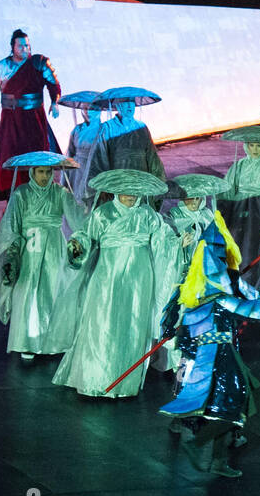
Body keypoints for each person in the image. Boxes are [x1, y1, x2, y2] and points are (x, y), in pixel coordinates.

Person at [160, 212, 260, 478]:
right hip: (216, 354)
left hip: (203, 352)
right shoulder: (217, 288)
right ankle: (205, 448)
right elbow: (252, 308)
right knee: (229, 403)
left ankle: (216, 453)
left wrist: (169, 328)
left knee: (219, 402)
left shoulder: (199, 282)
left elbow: (172, 309)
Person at [52, 170, 178, 398]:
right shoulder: (103, 214)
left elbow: (165, 240)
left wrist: (179, 243)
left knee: (132, 324)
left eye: (135, 191)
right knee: (102, 321)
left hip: (140, 278)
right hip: (107, 275)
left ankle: (123, 384)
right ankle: (95, 378)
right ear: (116, 190)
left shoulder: (148, 215)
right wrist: (78, 245)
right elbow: (85, 235)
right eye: (126, 190)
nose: (131, 195)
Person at [0, 152, 84, 360]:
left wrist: (89, 218)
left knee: (52, 289)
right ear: (32, 172)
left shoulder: (60, 193)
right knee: (28, 291)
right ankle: (27, 341)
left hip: (53, 249)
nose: (45, 176)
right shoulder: (21, 194)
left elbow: (77, 220)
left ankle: (53, 339)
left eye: (49, 171)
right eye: (40, 171)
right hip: (29, 250)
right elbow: (11, 225)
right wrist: (12, 251)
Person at [158, 174, 229, 375]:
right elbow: (163, 246)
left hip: (204, 278)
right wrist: (179, 246)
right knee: (178, 318)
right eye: (189, 197)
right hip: (180, 276)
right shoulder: (172, 217)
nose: (194, 202)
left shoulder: (208, 216)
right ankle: (177, 364)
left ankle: (200, 360)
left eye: (198, 198)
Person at [0, 29, 62, 200]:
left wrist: (54, 102)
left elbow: (53, 83)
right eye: (21, 46)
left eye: (27, 45)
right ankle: (13, 198)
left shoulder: (39, 63)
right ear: (13, 47)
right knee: (8, 156)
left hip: (34, 120)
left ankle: (40, 195)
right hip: (11, 120)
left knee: (37, 156)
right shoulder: (2, 67)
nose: (25, 48)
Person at [218, 126, 260, 290]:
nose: (255, 149)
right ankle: (235, 284)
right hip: (240, 213)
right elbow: (228, 191)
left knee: (256, 250)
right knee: (238, 248)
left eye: (259, 145)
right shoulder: (238, 166)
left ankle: (254, 284)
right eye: (251, 145)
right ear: (246, 146)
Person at [90, 89, 166, 189]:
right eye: (125, 102)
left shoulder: (141, 127)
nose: (130, 106)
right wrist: (105, 185)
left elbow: (152, 157)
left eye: (132, 102)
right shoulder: (107, 128)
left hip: (142, 179)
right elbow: (99, 159)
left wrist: (158, 180)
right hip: (118, 180)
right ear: (117, 105)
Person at [61, 92, 109, 208]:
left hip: (98, 172)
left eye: (91, 108)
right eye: (85, 108)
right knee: (80, 207)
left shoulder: (105, 129)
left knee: (98, 205)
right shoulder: (77, 130)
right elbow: (70, 155)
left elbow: (108, 156)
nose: (87, 112)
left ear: (98, 110)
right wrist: (64, 182)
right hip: (77, 174)